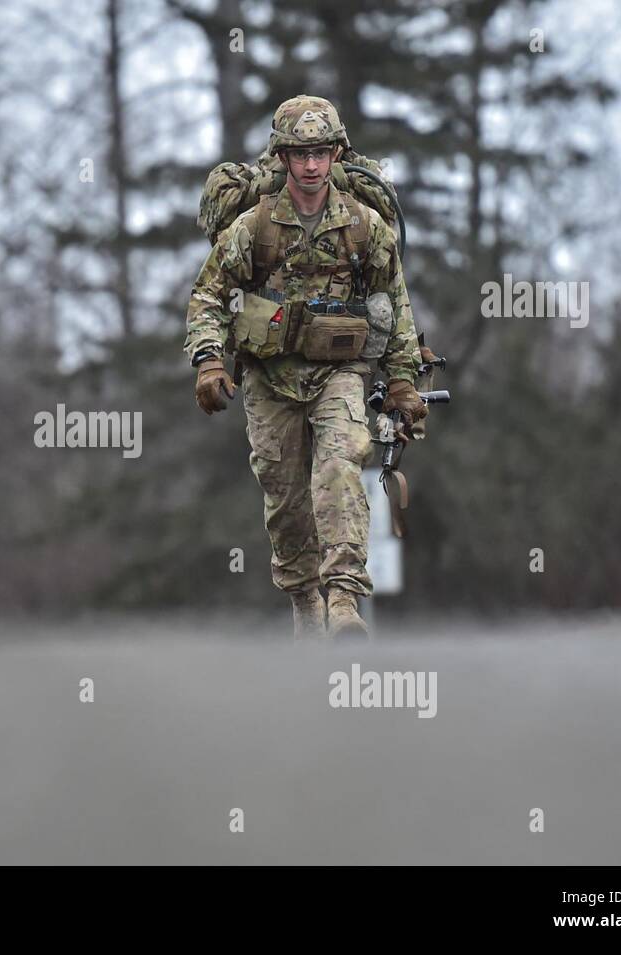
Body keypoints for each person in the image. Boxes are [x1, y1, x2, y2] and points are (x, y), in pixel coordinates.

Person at [184, 95, 427, 638]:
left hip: (338, 375)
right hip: (270, 380)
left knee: (340, 466)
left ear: (337, 153)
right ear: (283, 158)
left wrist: (405, 382)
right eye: (300, 154)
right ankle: (304, 600)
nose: (312, 165)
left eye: (321, 152)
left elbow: (397, 302)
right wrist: (207, 360)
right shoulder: (255, 226)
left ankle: (343, 600)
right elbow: (208, 295)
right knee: (284, 493)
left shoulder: (364, 226)